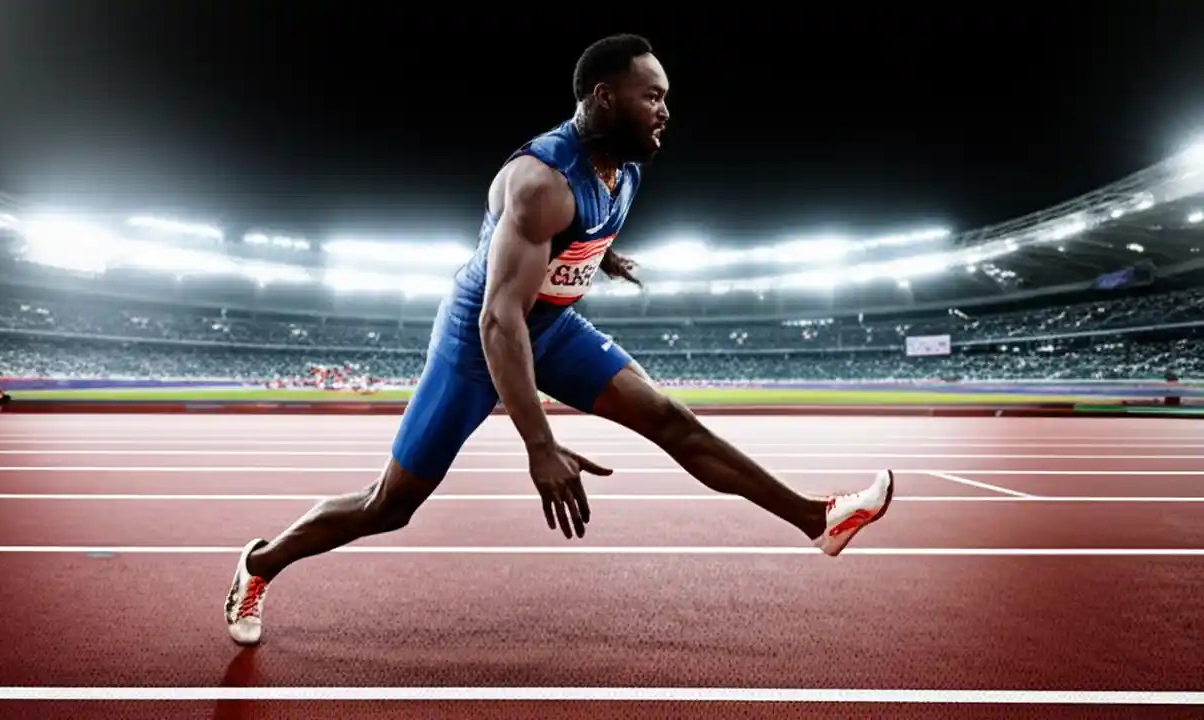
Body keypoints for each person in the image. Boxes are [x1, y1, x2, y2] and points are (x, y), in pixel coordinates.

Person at [224, 33, 894, 646]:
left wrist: (604, 256)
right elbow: (498, 321)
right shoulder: (539, 182)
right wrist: (539, 445)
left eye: (667, 98)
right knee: (389, 506)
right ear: (605, 99)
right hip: (479, 338)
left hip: (549, 326)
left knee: (670, 419)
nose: (665, 112)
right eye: (652, 97)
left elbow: (580, 231)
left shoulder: (627, 165)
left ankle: (819, 519)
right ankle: (259, 565)